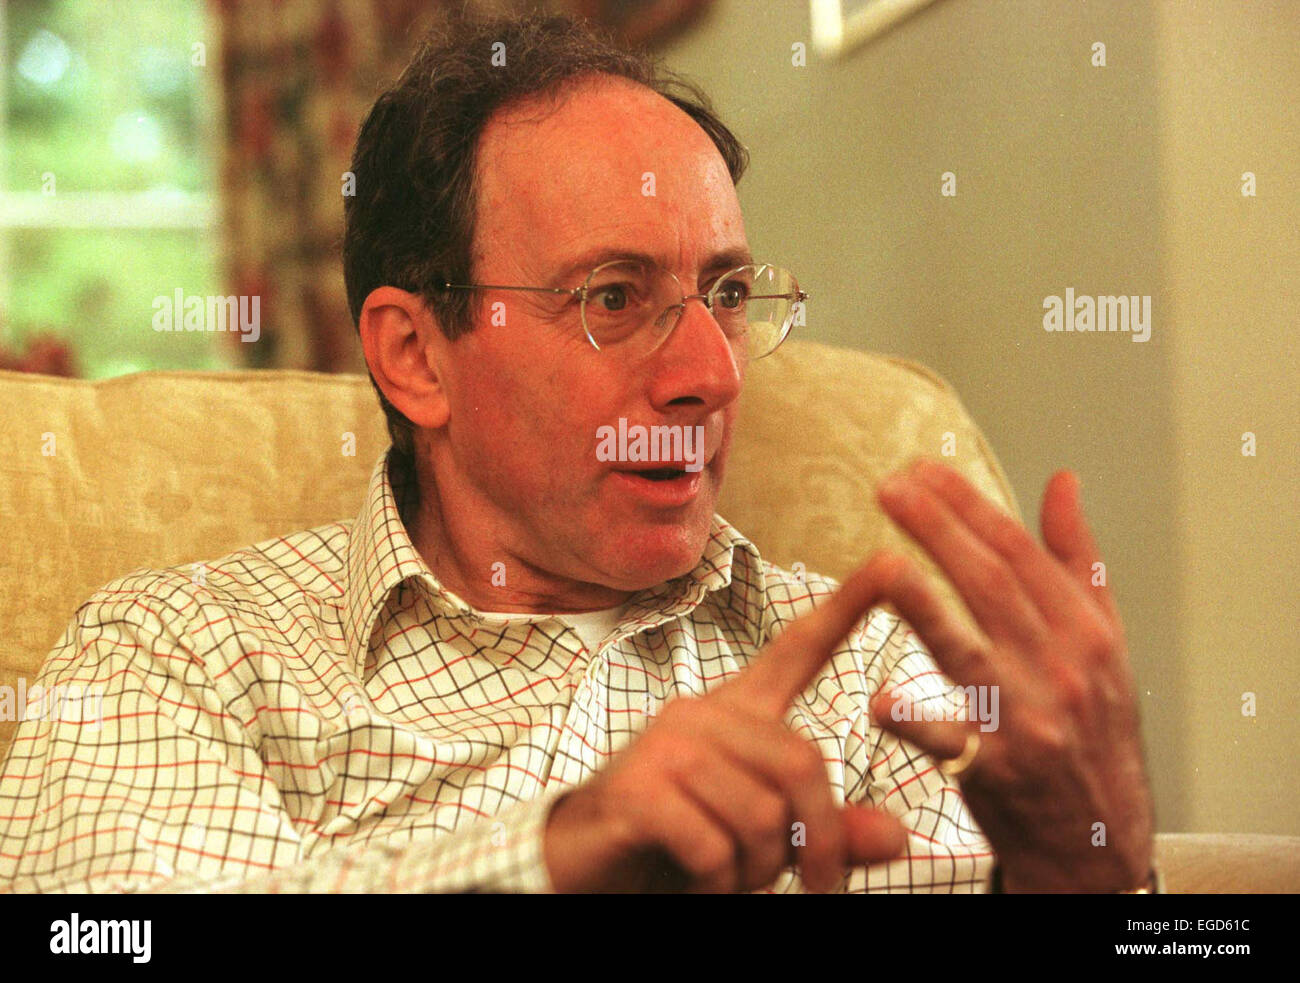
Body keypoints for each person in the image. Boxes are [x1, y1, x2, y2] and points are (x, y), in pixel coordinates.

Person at [0, 12, 1155, 894]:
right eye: (614, 295)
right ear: (415, 355)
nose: (714, 369)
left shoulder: (870, 667)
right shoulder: (187, 650)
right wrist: (553, 855)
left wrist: (1097, 873)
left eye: (728, 292)